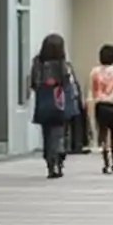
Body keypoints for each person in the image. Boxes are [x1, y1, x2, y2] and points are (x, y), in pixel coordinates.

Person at [29, 34, 72, 179]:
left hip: (43, 102)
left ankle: (49, 162)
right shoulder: (62, 64)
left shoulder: (37, 62)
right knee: (59, 132)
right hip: (58, 102)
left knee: (47, 134)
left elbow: (34, 83)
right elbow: (66, 82)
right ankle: (58, 159)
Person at [90, 44, 113, 175]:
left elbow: (94, 90)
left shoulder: (95, 72)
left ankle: (106, 163)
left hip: (102, 105)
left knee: (103, 133)